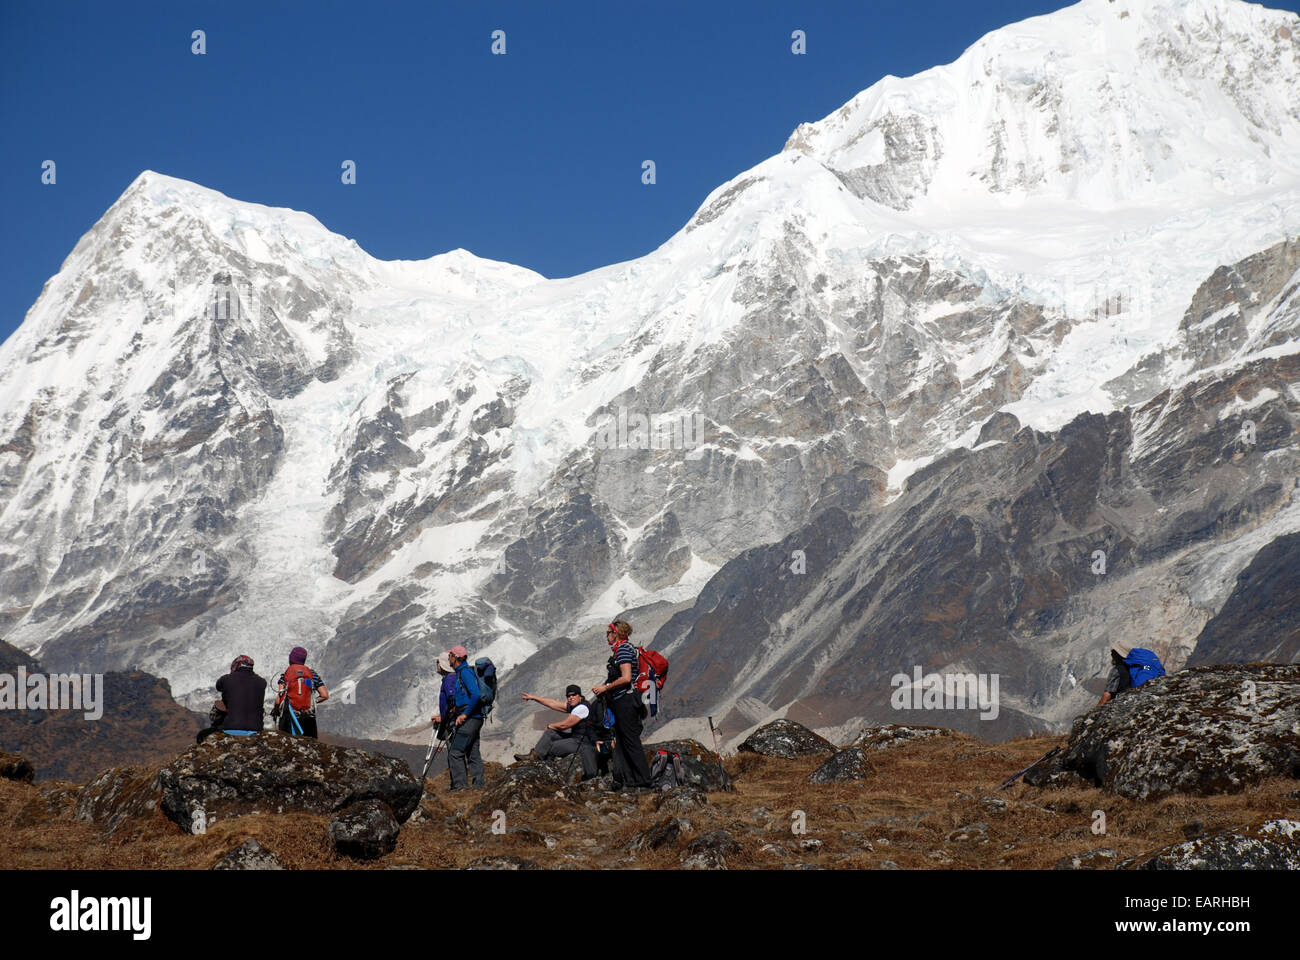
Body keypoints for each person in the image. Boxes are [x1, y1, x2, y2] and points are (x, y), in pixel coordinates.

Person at [593, 619, 652, 789]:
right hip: (622, 701)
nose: (607, 636)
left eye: (608, 633)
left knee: (630, 741)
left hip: (626, 701)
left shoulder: (624, 650)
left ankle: (644, 780)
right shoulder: (621, 650)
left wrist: (606, 687)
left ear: (616, 633)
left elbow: (626, 678)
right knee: (621, 742)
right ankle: (630, 780)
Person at [514, 684, 600, 778]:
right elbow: (552, 703)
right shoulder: (575, 706)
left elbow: (565, 725)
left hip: (582, 742)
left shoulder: (582, 708)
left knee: (553, 747)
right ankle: (535, 756)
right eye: (568, 696)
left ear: (580, 696)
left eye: (574, 695)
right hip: (575, 737)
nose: (571, 698)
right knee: (550, 734)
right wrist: (533, 697)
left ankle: (545, 770)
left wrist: (550, 725)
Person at [197, 654, 267, 742]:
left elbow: (218, 686)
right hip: (256, 729)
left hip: (230, 728)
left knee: (202, 735)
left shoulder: (226, 679)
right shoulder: (262, 682)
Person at [446, 645, 485, 789]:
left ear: (455, 658)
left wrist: (464, 714)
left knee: (455, 753)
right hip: (475, 717)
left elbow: (475, 694)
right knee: (472, 751)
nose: (448, 658)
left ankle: (460, 787)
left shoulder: (465, 673)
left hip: (470, 718)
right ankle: (479, 785)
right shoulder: (462, 672)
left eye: (450, 655)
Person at [273, 646, 329, 737]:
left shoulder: (287, 675)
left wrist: (276, 711)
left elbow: (279, 699)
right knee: (309, 746)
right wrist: (313, 701)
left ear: (290, 659)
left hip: (290, 717)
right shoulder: (312, 674)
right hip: (308, 717)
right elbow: (325, 695)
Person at [1097, 644, 1166, 706]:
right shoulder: (1136, 665)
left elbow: (1107, 695)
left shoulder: (1117, 670)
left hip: (1125, 701)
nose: (1111, 655)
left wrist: (1095, 712)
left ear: (1116, 655)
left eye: (1113, 653)